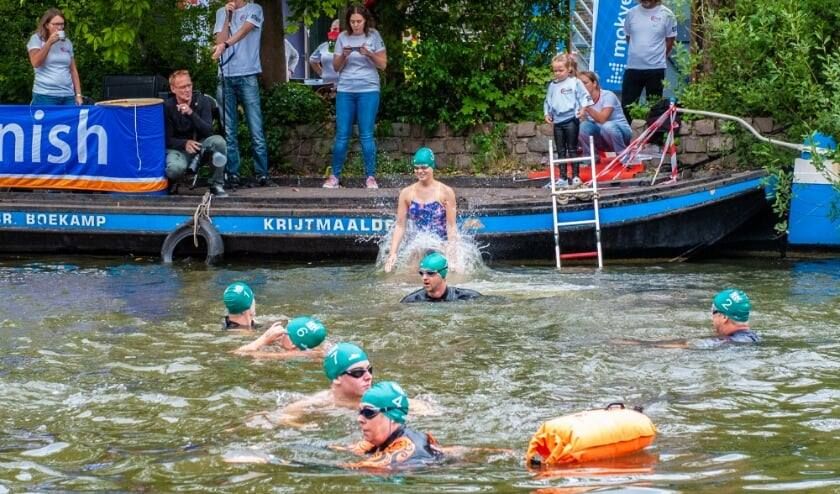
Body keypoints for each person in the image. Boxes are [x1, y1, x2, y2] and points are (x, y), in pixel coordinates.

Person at [322, 5, 387, 190]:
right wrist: (343, 55)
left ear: (365, 20)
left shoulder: (373, 35)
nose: (356, 25)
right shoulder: (343, 37)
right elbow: (335, 67)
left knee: (366, 134)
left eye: (359, 21)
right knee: (342, 135)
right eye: (352, 22)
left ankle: (370, 177)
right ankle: (334, 176)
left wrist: (369, 54)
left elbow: (383, 64)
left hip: (368, 89)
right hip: (346, 89)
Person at [211, 0, 273, 188]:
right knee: (229, 130)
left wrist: (226, 45)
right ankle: (233, 173)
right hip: (225, 76)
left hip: (247, 74)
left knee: (255, 126)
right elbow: (218, 42)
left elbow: (245, 30)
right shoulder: (222, 12)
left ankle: (261, 173)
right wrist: (226, 20)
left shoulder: (255, 9)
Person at [338, 381, 444, 469]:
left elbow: (350, 469)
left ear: (392, 416)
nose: (360, 418)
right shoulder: (379, 441)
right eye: (360, 411)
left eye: (368, 412)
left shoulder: (404, 449)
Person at [384, 147, 458, 272]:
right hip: (417, 246)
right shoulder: (406, 193)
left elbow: (451, 226)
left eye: (424, 167)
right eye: (416, 167)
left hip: (440, 245)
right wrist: (393, 254)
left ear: (432, 167)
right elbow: (400, 226)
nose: (420, 171)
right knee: (404, 279)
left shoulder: (445, 192)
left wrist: (453, 255)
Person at [164, 70, 228, 197]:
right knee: (174, 170)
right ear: (173, 89)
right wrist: (184, 143)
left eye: (189, 85)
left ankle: (216, 184)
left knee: (219, 142)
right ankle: (172, 182)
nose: (187, 90)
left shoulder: (203, 101)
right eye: (182, 87)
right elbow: (166, 139)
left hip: (201, 145)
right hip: (179, 149)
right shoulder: (167, 107)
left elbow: (208, 130)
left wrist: (191, 113)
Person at [543, 53, 593, 188]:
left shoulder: (574, 82)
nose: (558, 73)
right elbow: (547, 101)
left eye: (561, 70)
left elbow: (585, 97)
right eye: (555, 71)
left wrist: (583, 109)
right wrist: (546, 113)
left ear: (569, 69)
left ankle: (576, 176)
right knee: (560, 150)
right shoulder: (552, 85)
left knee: (572, 148)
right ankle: (563, 177)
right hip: (557, 121)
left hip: (571, 119)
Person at [621, 0, 677, 119]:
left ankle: (653, 137)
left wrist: (659, 56)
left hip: (655, 69)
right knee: (627, 107)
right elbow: (628, 37)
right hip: (633, 68)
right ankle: (630, 136)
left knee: (654, 108)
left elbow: (670, 40)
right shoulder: (631, 13)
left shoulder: (667, 14)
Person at [27, 8, 82, 106]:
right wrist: (49, 43)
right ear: (47, 25)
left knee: (68, 121)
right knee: (46, 122)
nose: (60, 27)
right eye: (56, 24)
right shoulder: (37, 39)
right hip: (45, 95)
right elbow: (35, 63)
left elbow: (73, 70)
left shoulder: (67, 42)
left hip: (68, 95)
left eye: (62, 24)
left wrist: (78, 94)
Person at [577, 70, 632, 158]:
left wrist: (586, 107)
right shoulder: (581, 99)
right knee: (582, 126)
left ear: (594, 83)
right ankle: (590, 158)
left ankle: (624, 157)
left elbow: (602, 119)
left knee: (607, 126)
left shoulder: (608, 95)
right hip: (601, 136)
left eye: (585, 83)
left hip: (621, 134)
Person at [400, 252, 481, 303]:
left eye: (430, 273)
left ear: (442, 274)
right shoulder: (411, 301)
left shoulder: (467, 297)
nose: (424, 277)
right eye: (421, 273)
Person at [233, 315, 327, 359]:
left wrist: (264, 338)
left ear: (293, 344)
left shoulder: (289, 355)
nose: (280, 333)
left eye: (284, 332)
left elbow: (238, 353)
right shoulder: (313, 350)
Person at [309, 20, 341, 85]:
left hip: (345, 85)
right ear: (330, 29)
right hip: (327, 85)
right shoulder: (324, 46)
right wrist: (321, 73)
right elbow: (312, 60)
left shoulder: (348, 45)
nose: (337, 31)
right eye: (334, 29)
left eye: (339, 29)